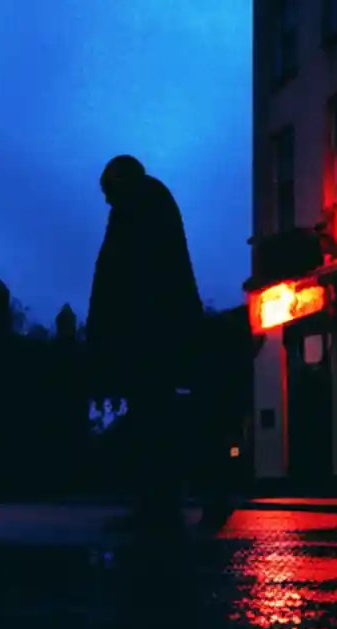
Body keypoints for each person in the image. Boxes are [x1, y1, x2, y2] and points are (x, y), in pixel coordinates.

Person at [86, 155, 204, 522]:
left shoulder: (141, 210)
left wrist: (105, 329)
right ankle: (155, 499)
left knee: (152, 412)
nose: (106, 200)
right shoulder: (144, 204)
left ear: (121, 182)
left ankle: (158, 501)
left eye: (108, 192)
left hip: (150, 330)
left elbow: (125, 274)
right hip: (151, 328)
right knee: (151, 411)